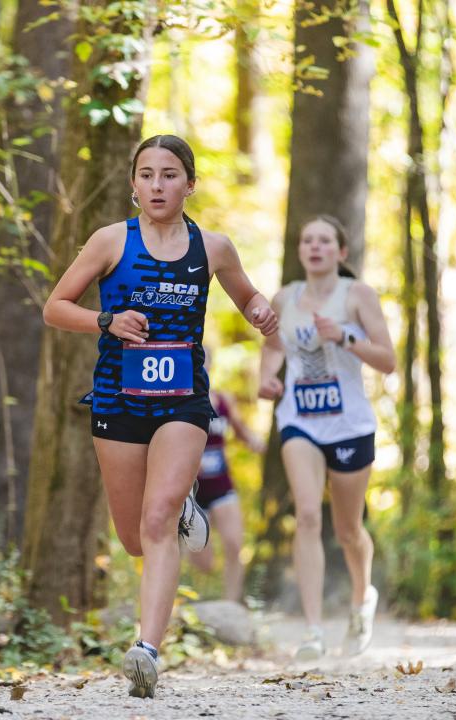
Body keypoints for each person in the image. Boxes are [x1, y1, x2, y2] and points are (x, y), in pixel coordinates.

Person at [42, 134, 278, 697]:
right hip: (117, 399)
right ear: (133, 184)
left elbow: (248, 298)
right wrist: (107, 321)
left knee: (157, 521)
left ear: (189, 185)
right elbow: (55, 308)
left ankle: (146, 651)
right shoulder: (110, 241)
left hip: (183, 401)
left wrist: (261, 312)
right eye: (146, 174)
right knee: (134, 539)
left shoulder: (213, 248)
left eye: (169, 175)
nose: (157, 185)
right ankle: (179, 511)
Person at [258, 214, 395, 660]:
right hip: (300, 419)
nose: (314, 247)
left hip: (350, 425)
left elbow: (388, 360)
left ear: (341, 251)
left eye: (324, 241)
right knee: (307, 516)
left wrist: (345, 337)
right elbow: (273, 346)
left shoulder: (357, 296)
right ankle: (313, 631)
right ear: (300, 250)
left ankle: (362, 598)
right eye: (307, 240)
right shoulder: (285, 298)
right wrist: (267, 378)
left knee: (348, 530)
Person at [188, 349, 265, 604]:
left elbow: (240, 430)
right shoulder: (181, 400)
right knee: (204, 562)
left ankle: (231, 603)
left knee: (234, 545)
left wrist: (254, 441)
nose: (202, 368)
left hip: (222, 486)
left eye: (205, 363)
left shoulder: (223, 400)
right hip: (192, 492)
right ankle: (194, 600)